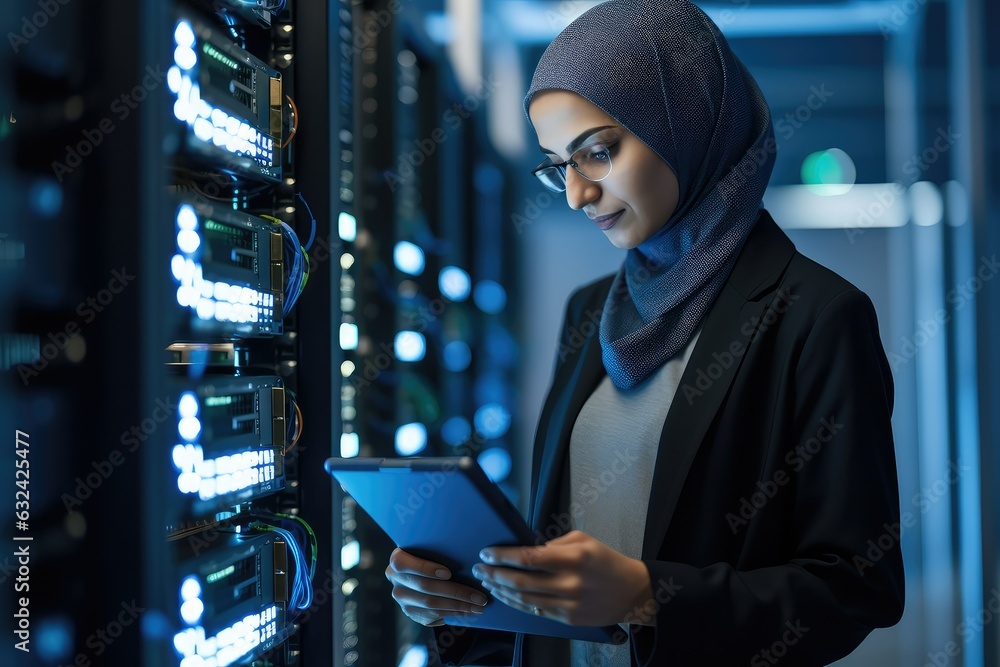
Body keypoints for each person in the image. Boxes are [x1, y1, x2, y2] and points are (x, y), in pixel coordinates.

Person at [385, 0, 905, 664]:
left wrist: (648, 593)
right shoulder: (589, 311)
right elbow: (564, 556)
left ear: (686, 119)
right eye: (557, 166)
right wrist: (464, 597)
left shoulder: (816, 315)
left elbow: (857, 587)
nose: (576, 194)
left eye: (597, 152)